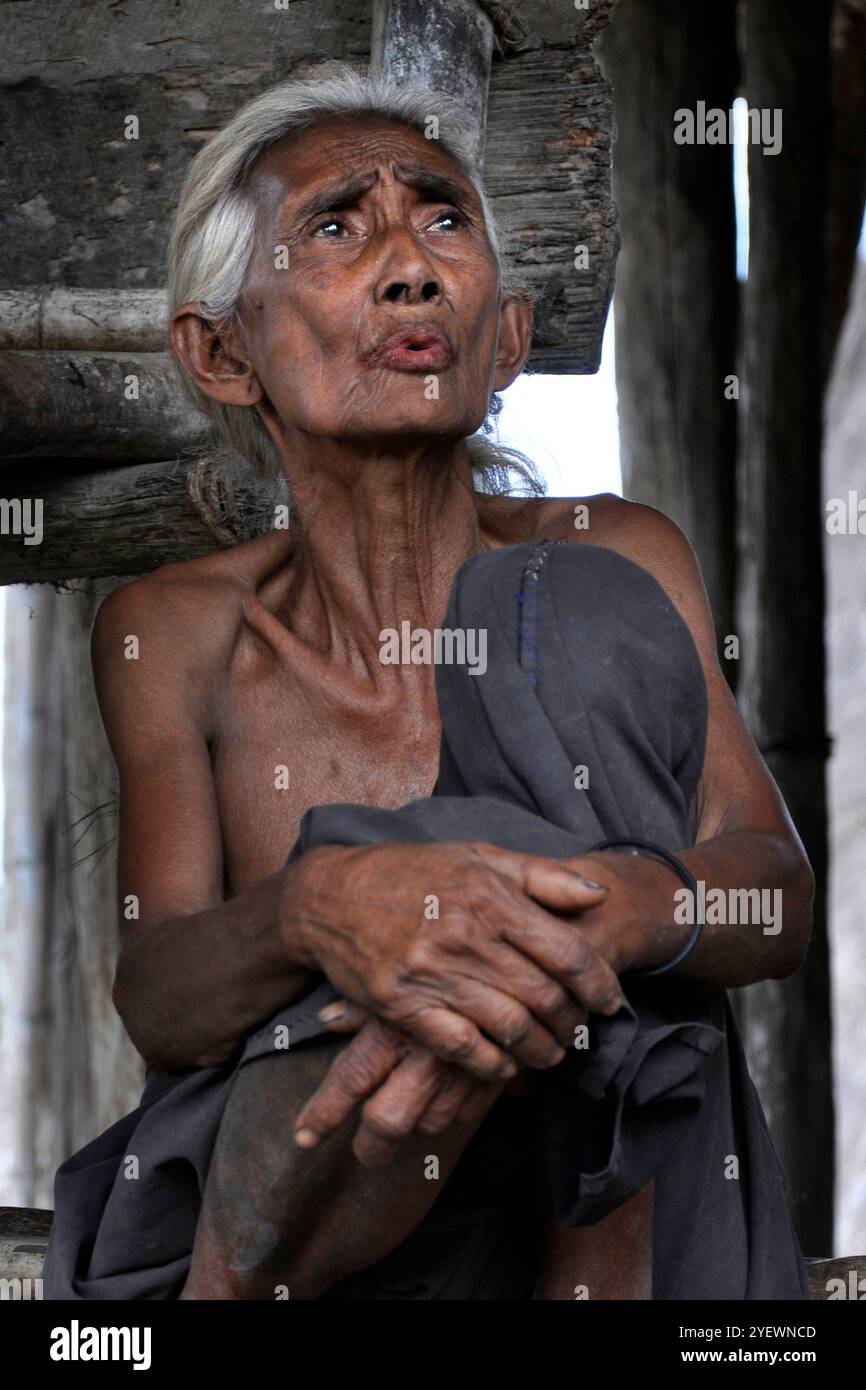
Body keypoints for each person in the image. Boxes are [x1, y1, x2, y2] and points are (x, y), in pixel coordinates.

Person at [43, 67, 812, 1301]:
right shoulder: (181, 628)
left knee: (552, 652)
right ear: (221, 352)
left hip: (612, 1212)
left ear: (503, 334)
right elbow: (163, 994)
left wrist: (622, 905)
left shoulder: (613, 555)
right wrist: (320, 905)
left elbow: (771, 897)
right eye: (337, 226)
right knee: (426, 904)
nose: (410, 267)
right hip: (324, 1219)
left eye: (443, 219)